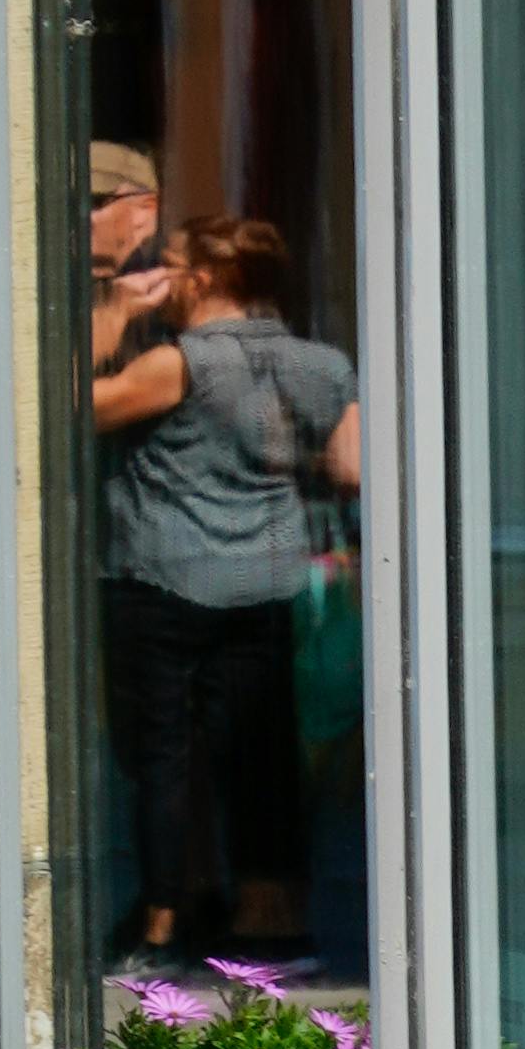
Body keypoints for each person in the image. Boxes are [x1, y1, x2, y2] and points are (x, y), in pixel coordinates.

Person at [92, 203, 361, 957]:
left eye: (170, 264)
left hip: (163, 579)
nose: (160, 277)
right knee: (262, 755)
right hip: (267, 580)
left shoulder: (180, 362)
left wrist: (113, 313)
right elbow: (351, 470)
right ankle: (273, 920)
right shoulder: (323, 366)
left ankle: (162, 921)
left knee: (163, 755)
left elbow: (66, 406)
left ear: (203, 278)